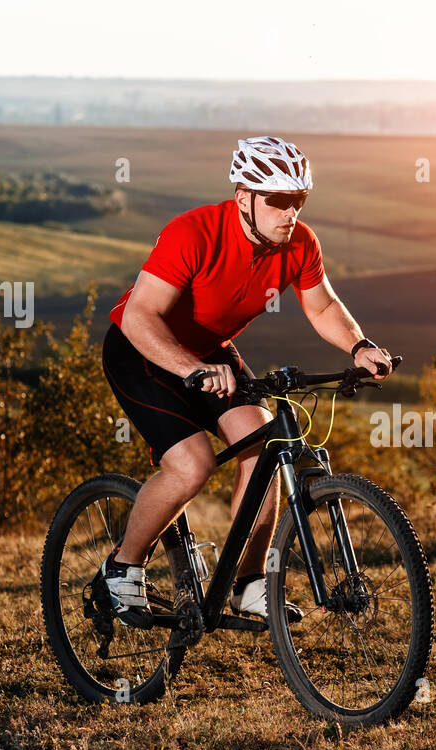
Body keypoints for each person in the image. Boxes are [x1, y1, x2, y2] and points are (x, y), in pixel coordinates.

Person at [97, 135, 394, 626]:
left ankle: (249, 584)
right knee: (191, 466)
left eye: (297, 200)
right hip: (141, 349)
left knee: (265, 449)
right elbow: (140, 315)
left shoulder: (299, 243)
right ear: (244, 199)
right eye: (277, 200)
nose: (289, 212)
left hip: (211, 353)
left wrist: (359, 347)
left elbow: (321, 306)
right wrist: (190, 368)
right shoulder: (192, 233)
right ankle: (122, 567)